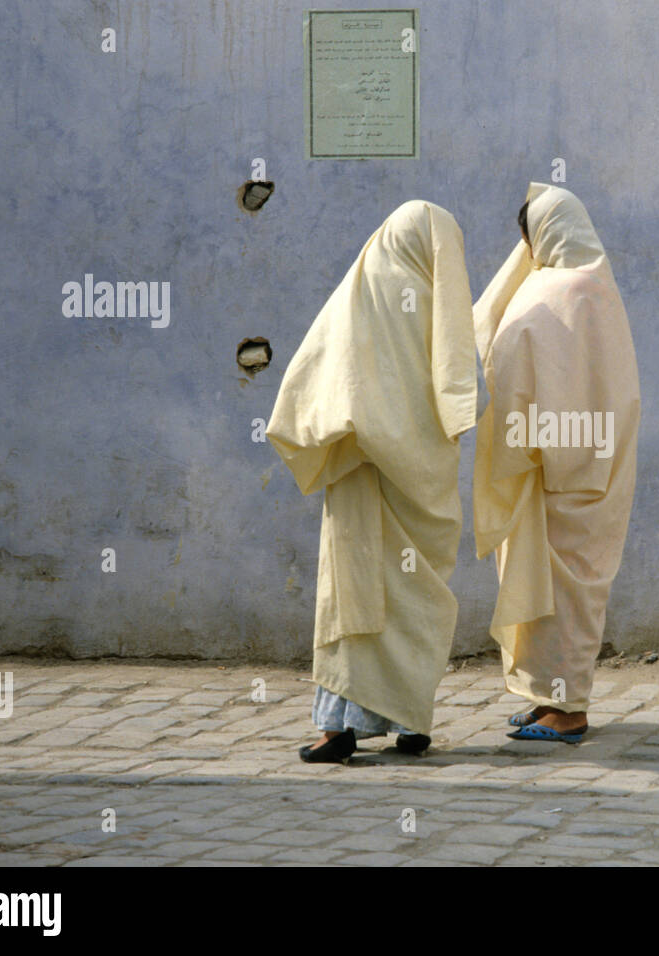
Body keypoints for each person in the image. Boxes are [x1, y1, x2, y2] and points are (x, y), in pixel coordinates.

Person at [266, 199, 477, 763]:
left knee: (355, 595)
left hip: (362, 472)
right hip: (417, 478)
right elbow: (448, 382)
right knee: (413, 597)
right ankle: (411, 722)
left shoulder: (363, 285)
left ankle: (340, 731)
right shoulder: (431, 297)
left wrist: (350, 428)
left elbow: (323, 368)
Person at [472, 182, 640, 743]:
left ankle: (569, 713)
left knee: (554, 591)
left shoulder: (553, 290)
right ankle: (550, 697)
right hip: (596, 464)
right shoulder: (599, 285)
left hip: (547, 464)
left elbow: (510, 356)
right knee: (572, 587)